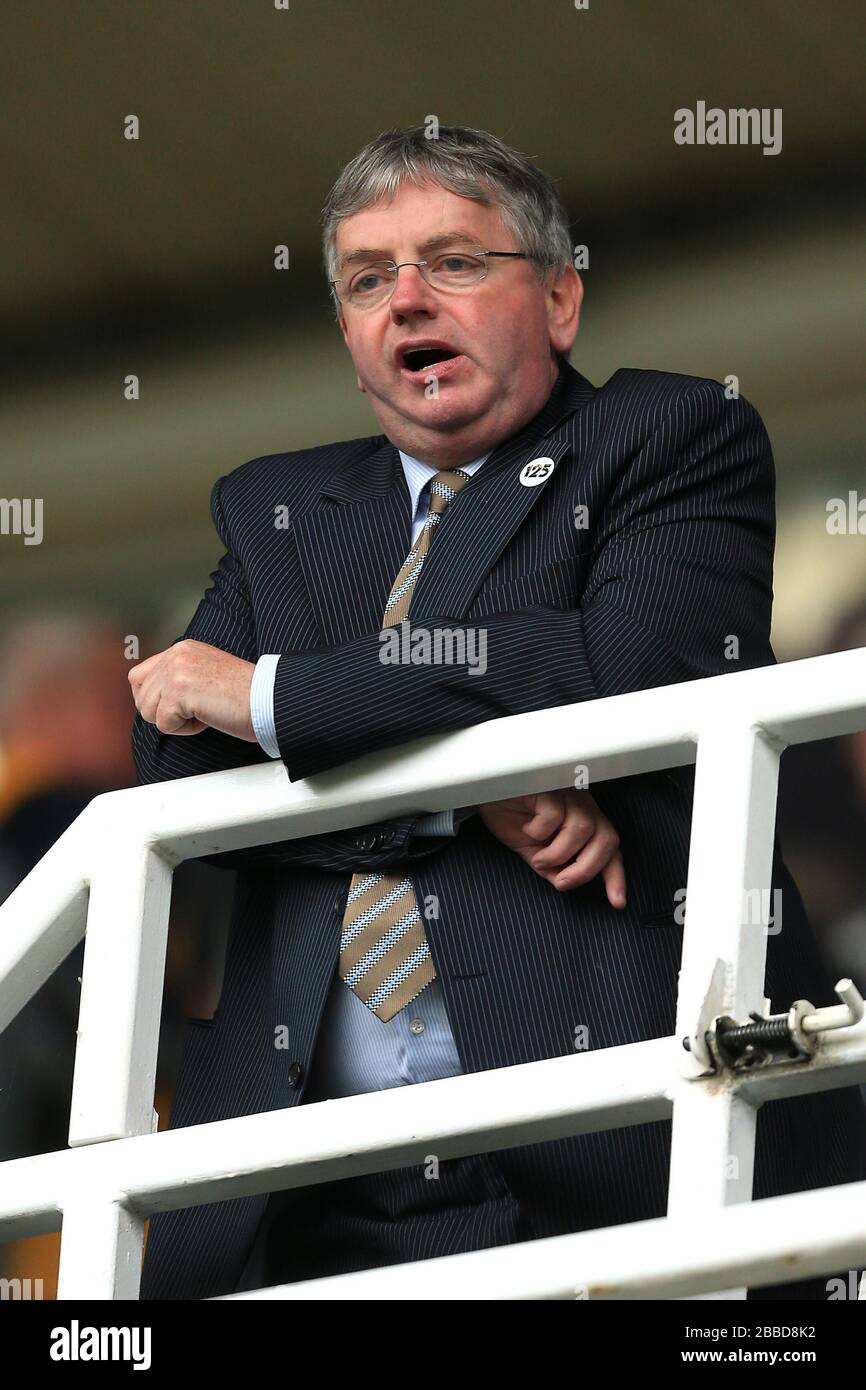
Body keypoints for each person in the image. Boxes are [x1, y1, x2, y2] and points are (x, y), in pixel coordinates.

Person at [130, 125, 866, 1301]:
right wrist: (462, 799)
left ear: (560, 298)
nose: (406, 298)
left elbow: (627, 662)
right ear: (347, 333)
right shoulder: (274, 506)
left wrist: (283, 697)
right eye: (368, 278)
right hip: (296, 1185)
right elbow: (174, 777)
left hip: (608, 1157)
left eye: (455, 262)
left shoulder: (668, 437)